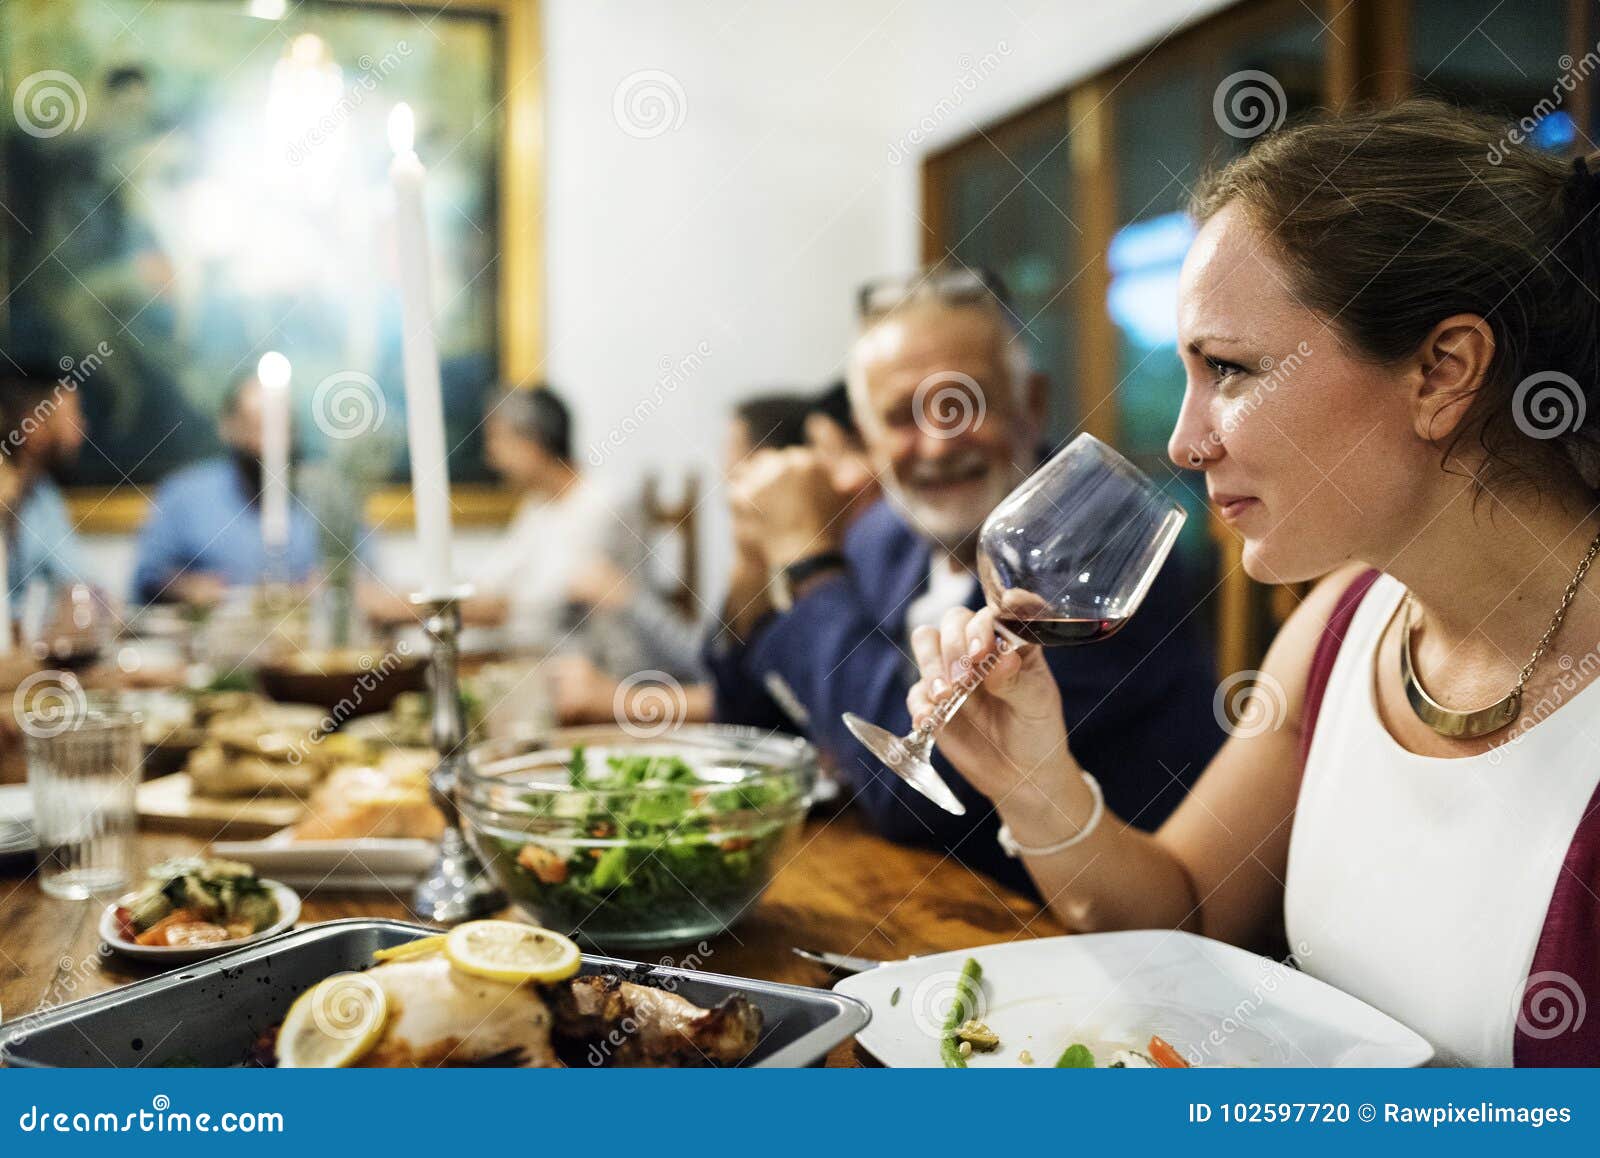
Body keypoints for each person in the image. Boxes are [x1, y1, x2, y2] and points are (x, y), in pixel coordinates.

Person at [906, 101, 1600, 1067]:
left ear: (1443, 371)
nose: (1187, 442)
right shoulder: (1343, 623)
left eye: (1230, 369)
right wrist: (1038, 787)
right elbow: (1187, 913)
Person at [708, 269, 1222, 893]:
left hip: (1087, 938)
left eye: (965, 403)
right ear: (867, 439)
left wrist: (808, 561)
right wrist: (752, 570)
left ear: (1030, 406)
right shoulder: (883, 539)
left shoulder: (1101, 548)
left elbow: (915, 798)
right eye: (901, 416)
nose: (937, 441)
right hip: (917, 913)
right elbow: (759, 732)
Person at [131, 369, 321, 606]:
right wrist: (188, 588)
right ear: (227, 426)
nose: (265, 442)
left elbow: (367, 580)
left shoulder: (326, 498)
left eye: (279, 425)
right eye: (254, 425)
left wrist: (336, 586)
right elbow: (147, 580)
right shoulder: (184, 494)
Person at [0, 375, 96, 602]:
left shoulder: (44, 496)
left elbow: (78, 579)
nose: (83, 427)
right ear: (32, 425)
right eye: (73, 416)